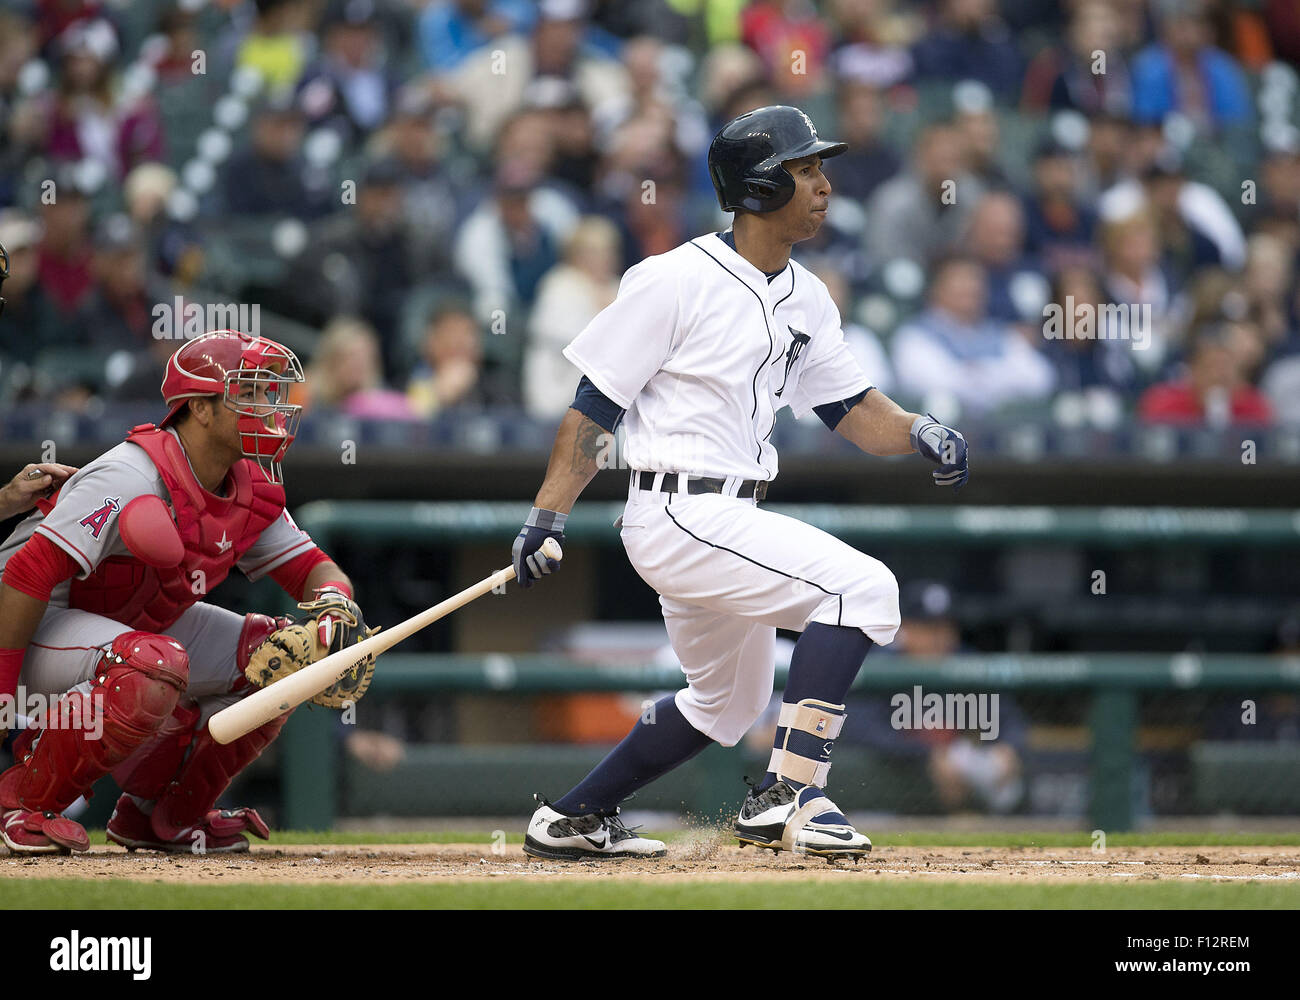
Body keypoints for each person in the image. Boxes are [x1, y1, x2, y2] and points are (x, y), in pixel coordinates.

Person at [510, 105, 970, 863]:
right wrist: (547, 515)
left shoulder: (809, 296)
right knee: (864, 590)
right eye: (805, 169)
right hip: (679, 506)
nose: (823, 184)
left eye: (820, 168)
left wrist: (916, 427)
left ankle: (574, 816)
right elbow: (595, 408)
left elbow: (851, 410)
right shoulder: (671, 279)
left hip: (727, 515)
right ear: (759, 184)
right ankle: (790, 792)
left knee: (728, 704)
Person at [0, 330, 371, 855]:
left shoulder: (248, 482)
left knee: (283, 658)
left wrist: (335, 602)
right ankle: (22, 804)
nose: (268, 408)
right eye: (249, 393)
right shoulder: (131, 474)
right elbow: (27, 575)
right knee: (155, 664)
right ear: (199, 407)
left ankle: (161, 816)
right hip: (31, 617)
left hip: (124, 625)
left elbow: (314, 568)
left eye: (270, 393)